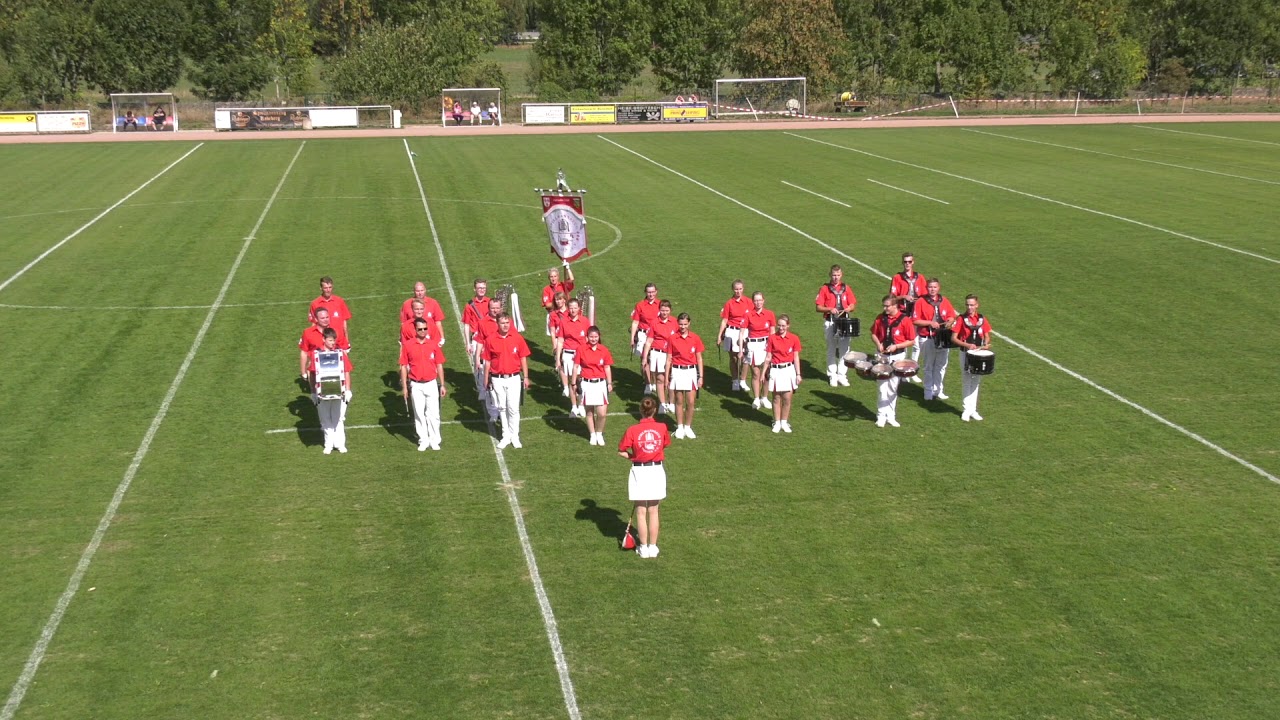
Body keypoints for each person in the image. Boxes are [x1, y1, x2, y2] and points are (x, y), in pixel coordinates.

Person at [618, 395, 670, 559]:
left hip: (639, 470)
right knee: (653, 510)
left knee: (641, 511)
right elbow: (665, 444)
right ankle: (653, 547)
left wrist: (634, 457)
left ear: (641, 410)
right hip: (656, 470)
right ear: (654, 410)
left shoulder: (632, 430)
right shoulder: (662, 427)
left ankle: (643, 548)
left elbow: (621, 450)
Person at [482, 313, 531, 449]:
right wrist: (486, 379)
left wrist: (526, 377)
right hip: (497, 379)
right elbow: (487, 361)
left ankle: (515, 436)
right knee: (502, 408)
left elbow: (523, 358)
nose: (505, 325)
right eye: (503, 323)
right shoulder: (491, 339)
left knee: (513, 408)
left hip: (514, 378)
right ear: (497, 324)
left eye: (507, 322)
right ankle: (505, 435)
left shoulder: (517, 338)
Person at [399, 319, 447, 451]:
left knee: (434, 414)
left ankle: (435, 439)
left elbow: (439, 364)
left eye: (425, 329)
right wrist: (404, 387)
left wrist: (442, 384)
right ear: (415, 330)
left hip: (431, 383)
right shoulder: (408, 345)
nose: (423, 331)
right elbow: (403, 366)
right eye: (420, 329)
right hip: (416, 384)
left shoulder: (433, 344)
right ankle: (423, 440)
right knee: (419, 413)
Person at [871, 294, 916, 428]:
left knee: (893, 387)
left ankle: (891, 415)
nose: (885, 308)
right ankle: (880, 416)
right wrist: (878, 344)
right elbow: (873, 333)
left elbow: (912, 340)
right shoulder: (880, 318)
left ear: (895, 306)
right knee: (882, 387)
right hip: (882, 356)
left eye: (887, 306)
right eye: (884, 305)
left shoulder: (905, 320)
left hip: (898, 357)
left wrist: (897, 346)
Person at [912, 278, 958, 401]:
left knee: (941, 365)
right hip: (928, 338)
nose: (932, 289)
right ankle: (928, 391)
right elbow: (915, 320)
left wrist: (950, 320)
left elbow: (952, 315)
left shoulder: (944, 300)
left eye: (935, 287)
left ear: (939, 288)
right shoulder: (921, 301)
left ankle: (938, 390)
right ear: (927, 288)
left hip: (943, 337)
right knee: (928, 366)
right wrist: (930, 323)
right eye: (930, 287)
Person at [309, 328, 352, 454]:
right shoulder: (316, 354)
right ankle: (328, 444)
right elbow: (312, 374)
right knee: (325, 418)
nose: (333, 343)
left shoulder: (340, 353)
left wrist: (348, 390)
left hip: (339, 391)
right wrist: (313, 391)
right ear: (324, 339)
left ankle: (340, 444)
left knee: (338, 418)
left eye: (334, 340)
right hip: (322, 392)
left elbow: (347, 371)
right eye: (330, 340)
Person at [815, 264, 857, 387]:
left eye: (838, 275)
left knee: (845, 349)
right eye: (834, 275)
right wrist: (829, 309)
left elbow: (853, 304)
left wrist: (850, 307)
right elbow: (818, 307)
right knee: (831, 348)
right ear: (830, 275)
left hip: (844, 321)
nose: (836, 278)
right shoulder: (824, 289)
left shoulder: (846, 288)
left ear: (841, 275)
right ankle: (832, 375)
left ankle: (842, 375)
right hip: (830, 320)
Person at [953, 294, 993, 422]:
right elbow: (953, 338)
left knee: (976, 380)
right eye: (967, 305)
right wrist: (967, 345)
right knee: (967, 379)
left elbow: (987, 335)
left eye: (971, 305)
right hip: (966, 353)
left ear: (977, 305)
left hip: (979, 353)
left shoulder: (981, 318)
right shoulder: (961, 319)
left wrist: (986, 344)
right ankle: (966, 409)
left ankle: (973, 409)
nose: (969, 307)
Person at [890, 252, 928, 380]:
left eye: (909, 261)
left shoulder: (920, 277)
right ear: (902, 263)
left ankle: (913, 369)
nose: (907, 264)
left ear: (913, 262)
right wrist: (904, 296)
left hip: (916, 314)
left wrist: (918, 300)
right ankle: (904, 370)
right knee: (905, 342)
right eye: (905, 262)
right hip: (903, 313)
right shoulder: (897, 277)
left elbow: (925, 295)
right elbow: (892, 296)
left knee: (916, 344)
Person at [667, 312, 704, 439]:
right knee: (679, 400)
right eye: (680, 324)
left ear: (689, 323)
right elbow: (669, 359)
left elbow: (699, 358)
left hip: (691, 371)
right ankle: (679, 427)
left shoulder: (695, 338)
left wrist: (701, 376)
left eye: (685, 324)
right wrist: (668, 377)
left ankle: (688, 426)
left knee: (691, 401)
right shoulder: (672, 338)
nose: (682, 327)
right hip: (677, 371)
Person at [575, 326, 614, 446]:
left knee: (602, 413)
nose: (593, 339)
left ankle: (599, 433)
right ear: (587, 337)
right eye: (591, 337)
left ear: (599, 337)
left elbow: (607, 367)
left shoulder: (604, 350)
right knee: (589, 411)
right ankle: (592, 434)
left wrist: (609, 383)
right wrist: (573, 383)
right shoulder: (581, 349)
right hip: (587, 383)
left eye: (596, 337)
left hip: (600, 383)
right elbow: (576, 366)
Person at [555, 297, 591, 417]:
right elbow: (560, 340)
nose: (573, 310)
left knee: (582, 380)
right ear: (568, 309)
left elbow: (588, 339)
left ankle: (581, 405)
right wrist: (558, 358)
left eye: (575, 308)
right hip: (568, 354)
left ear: (579, 308)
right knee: (572, 381)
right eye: (571, 308)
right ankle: (574, 406)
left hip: (582, 355)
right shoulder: (563, 322)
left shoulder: (585, 321)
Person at [765, 315, 801, 433]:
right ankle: (777, 422)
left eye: (783, 325)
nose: (781, 328)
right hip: (775, 370)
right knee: (776, 398)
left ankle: (784, 422)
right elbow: (768, 357)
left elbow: (796, 357)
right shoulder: (771, 338)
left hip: (788, 370)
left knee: (787, 398)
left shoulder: (794, 338)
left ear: (788, 326)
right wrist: (763, 373)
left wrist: (798, 374)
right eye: (779, 325)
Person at [641, 300, 678, 414]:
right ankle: (662, 403)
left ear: (670, 310)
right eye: (662, 310)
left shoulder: (675, 322)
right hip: (658, 353)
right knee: (660, 378)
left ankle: (671, 403)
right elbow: (649, 341)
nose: (664, 313)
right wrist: (644, 357)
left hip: (671, 354)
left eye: (666, 310)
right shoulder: (654, 322)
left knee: (671, 378)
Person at [741, 291, 775, 409]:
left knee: (766, 373)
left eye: (760, 300)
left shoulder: (770, 314)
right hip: (753, 345)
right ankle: (756, 398)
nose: (758, 302)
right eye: (756, 300)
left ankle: (764, 397)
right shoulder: (748, 315)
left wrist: (773, 348)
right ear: (753, 302)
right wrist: (741, 349)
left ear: (763, 301)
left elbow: (772, 332)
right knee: (756, 373)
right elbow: (742, 333)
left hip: (766, 345)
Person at [716, 279, 750, 392]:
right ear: (733, 289)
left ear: (743, 289)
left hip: (744, 331)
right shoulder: (729, 303)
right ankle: (735, 380)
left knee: (745, 357)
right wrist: (720, 335)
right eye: (736, 289)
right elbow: (724, 320)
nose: (738, 291)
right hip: (732, 331)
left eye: (740, 289)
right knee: (734, 358)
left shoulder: (748, 302)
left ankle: (743, 380)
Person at [298, 307, 349, 379]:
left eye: (327, 317)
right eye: (322, 318)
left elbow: (344, 351)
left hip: (334, 366)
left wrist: (345, 371)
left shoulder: (337, 331)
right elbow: (304, 352)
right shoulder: (308, 333)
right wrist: (303, 372)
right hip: (315, 368)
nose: (325, 320)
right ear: (316, 319)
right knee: (316, 389)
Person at [629, 283, 661, 392]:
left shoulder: (661, 305)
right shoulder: (640, 305)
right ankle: (648, 383)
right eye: (648, 292)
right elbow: (635, 322)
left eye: (652, 292)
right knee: (645, 358)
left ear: (656, 292)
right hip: (643, 335)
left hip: (656, 335)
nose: (651, 294)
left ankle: (656, 381)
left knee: (656, 359)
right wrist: (632, 337)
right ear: (645, 292)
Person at [309, 276, 352, 343]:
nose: (328, 290)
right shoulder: (315, 304)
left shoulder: (339, 301)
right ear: (321, 288)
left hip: (340, 341)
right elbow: (314, 324)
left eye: (330, 287)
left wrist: (347, 340)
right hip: (323, 342)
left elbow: (344, 323)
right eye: (325, 288)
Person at [547, 291, 572, 397]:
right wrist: (555, 345)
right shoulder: (553, 314)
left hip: (570, 339)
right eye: (556, 300)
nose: (558, 301)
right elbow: (552, 332)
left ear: (564, 300)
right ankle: (566, 386)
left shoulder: (570, 312)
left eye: (560, 299)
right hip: (559, 339)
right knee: (561, 363)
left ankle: (573, 383)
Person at [541, 262, 575, 335]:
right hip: (553, 315)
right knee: (555, 337)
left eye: (555, 276)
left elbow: (571, 279)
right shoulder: (546, 289)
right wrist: (560, 303)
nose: (553, 279)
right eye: (551, 277)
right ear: (549, 278)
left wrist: (568, 268)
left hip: (565, 314)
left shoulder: (563, 285)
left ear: (558, 276)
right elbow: (547, 305)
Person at [461, 279, 490, 360]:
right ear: (474, 289)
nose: (482, 290)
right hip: (476, 338)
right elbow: (466, 325)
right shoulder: (469, 305)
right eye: (479, 288)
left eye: (484, 288)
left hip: (489, 337)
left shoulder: (490, 302)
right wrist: (467, 343)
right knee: (479, 367)